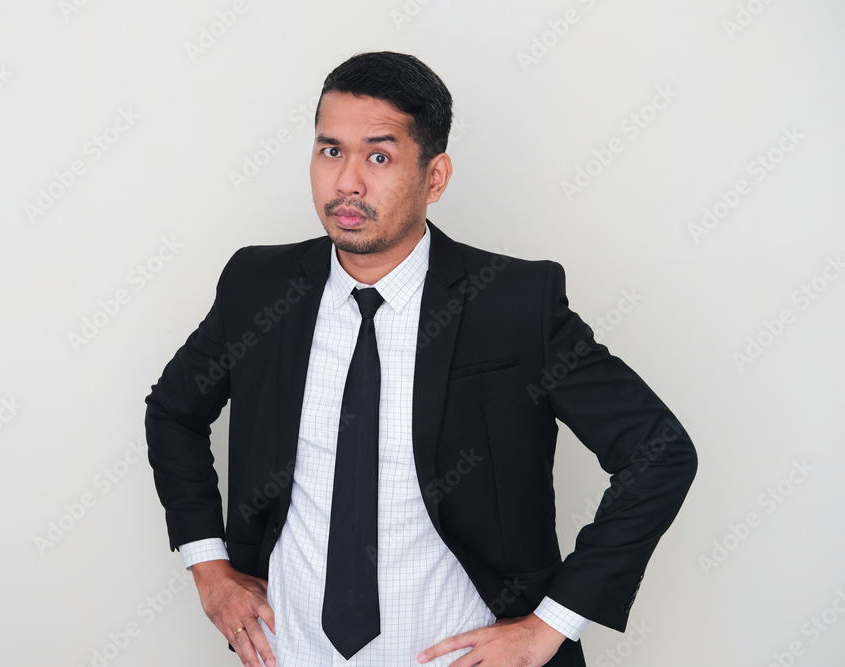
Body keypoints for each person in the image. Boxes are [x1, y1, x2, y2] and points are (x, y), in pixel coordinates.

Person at [145, 51, 697, 667]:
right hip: (291, 650)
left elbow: (660, 453)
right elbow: (173, 412)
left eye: (378, 156)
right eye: (331, 151)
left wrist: (551, 625)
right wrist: (208, 567)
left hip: (458, 653)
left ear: (435, 176)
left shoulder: (514, 304)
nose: (347, 182)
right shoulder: (260, 285)